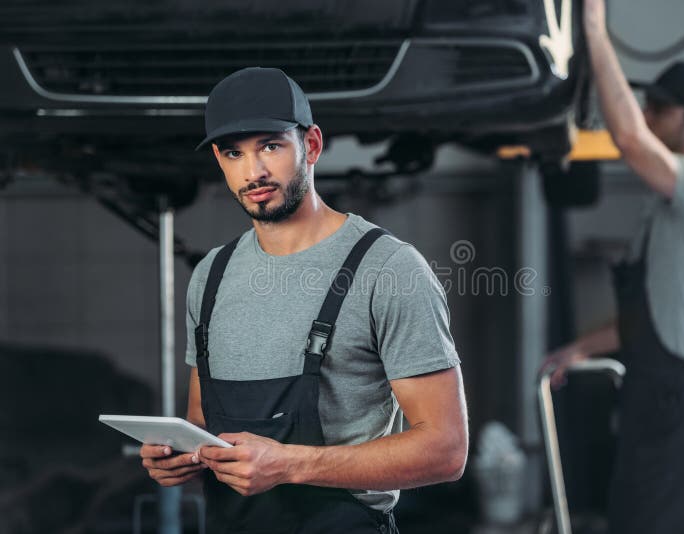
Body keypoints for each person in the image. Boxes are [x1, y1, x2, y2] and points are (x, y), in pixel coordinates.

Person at [139, 67, 468, 533]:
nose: (253, 172)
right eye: (234, 153)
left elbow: (446, 450)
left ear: (311, 145)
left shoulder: (388, 269)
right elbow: (204, 424)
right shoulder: (211, 275)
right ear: (218, 159)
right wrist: (185, 457)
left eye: (271, 146)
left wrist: (291, 465)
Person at [543, 1, 684, 533]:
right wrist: (580, 348)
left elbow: (629, 139)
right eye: (648, 103)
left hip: (680, 403)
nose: (648, 115)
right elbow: (650, 318)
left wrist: (596, 28)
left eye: (662, 109)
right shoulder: (665, 208)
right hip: (655, 397)